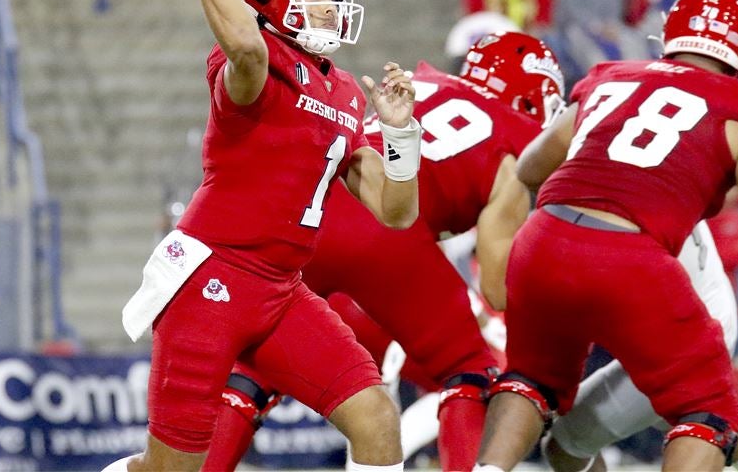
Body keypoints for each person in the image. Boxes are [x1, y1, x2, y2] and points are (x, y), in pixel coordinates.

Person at [472, 0, 738, 472]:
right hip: (629, 256)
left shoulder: (609, 78)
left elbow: (531, 167)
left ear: (670, 36)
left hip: (544, 237)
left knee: (531, 380)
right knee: (710, 414)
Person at [114, 0, 423, 472]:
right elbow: (248, 51)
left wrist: (403, 136)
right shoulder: (253, 64)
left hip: (282, 289)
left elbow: (395, 210)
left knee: (377, 419)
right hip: (213, 279)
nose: (332, 5)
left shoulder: (343, 87)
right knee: (171, 469)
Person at [202, 32, 566, 471]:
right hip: (384, 225)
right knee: (468, 365)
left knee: (255, 369)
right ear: (534, 100)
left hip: (308, 207)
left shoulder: (429, 86)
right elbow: (497, 287)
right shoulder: (515, 145)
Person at [542, 221, 738, 472]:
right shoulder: (661, 186)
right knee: (705, 416)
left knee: (566, 443)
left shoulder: (620, 206)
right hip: (703, 312)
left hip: (684, 334)